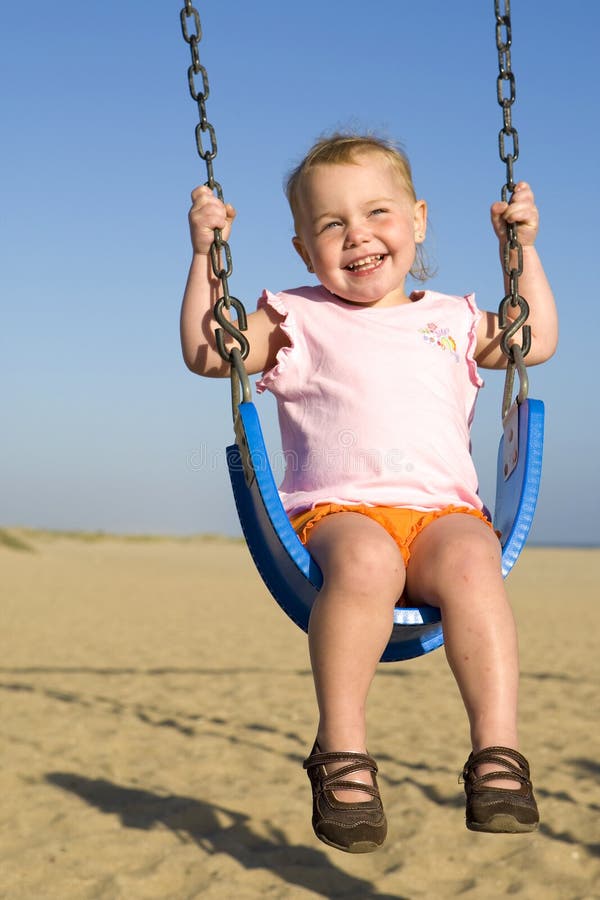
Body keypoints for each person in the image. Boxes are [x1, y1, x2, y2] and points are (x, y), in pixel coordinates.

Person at [180, 133, 558, 854]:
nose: (358, 235)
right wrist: (204, 256)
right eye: (331, 225)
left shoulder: (451, 318)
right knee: (367, 565)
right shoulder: (297, 317)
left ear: (417, 220)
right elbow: (208, 351)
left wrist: (524, 250)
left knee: (476, 560)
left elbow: (532, 340)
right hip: (339, 512)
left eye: (377, 212)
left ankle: (497, 754)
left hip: (443, 513)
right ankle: (343, 754)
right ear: (302, 251)